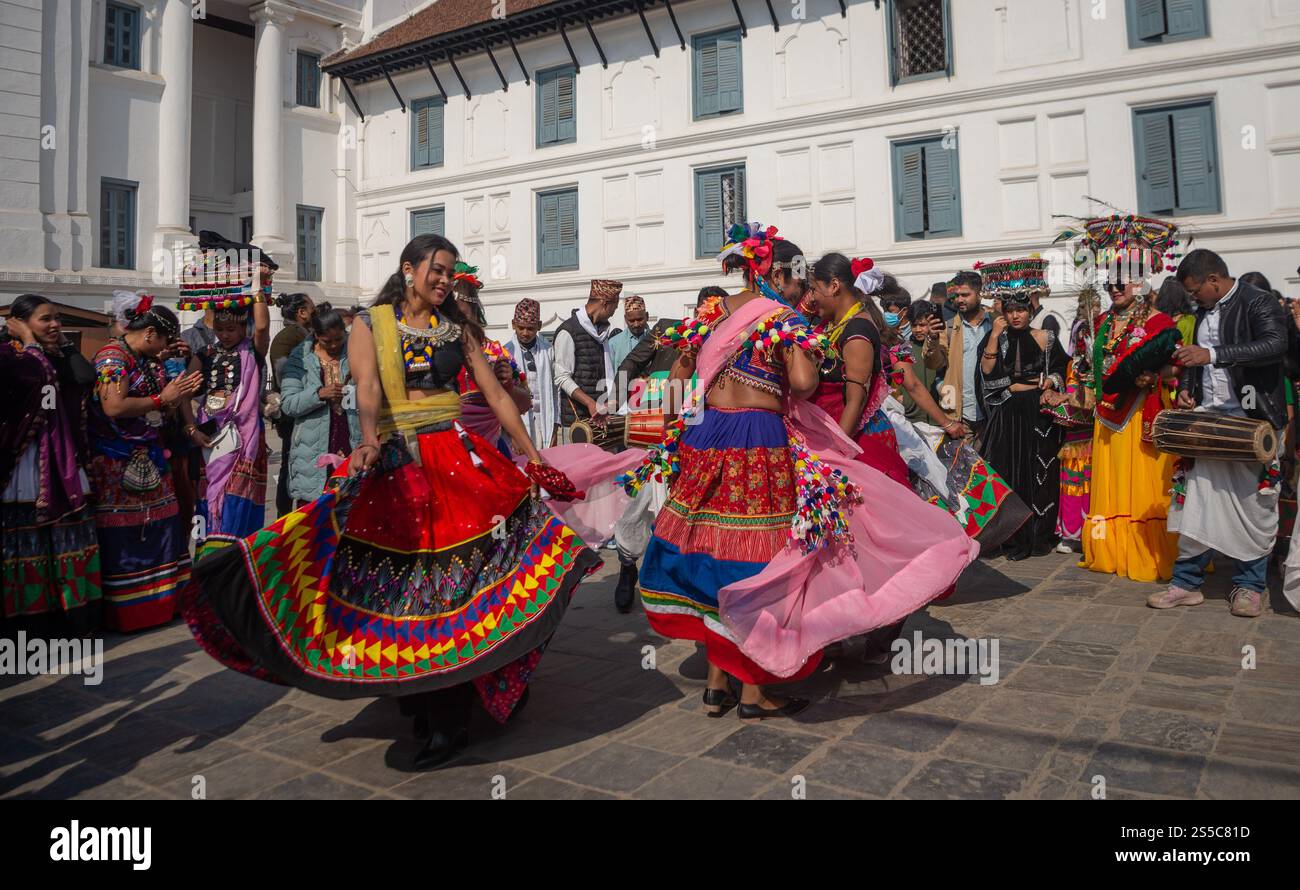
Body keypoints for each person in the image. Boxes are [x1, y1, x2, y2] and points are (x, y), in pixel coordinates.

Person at [184, 233, 594, 770]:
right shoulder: (369, 325)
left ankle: (451, 714)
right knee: (407, 588)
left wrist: (534, 455)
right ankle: (428, 702)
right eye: (437, 270)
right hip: (401, 465)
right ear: (408, 269)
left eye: (451, 272)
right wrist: (370, 441)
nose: (445, 280)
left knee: (462, 583)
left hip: (460, 462)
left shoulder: (459, 328)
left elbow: (494, 393)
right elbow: (369, 390)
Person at [627, 223, 977, 719]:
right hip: (756, 442)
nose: (800, 290)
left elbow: (682, 375)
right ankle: (755, 691)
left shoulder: (711, 312)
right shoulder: (779, 319)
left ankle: (716, 682)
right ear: (776, 273)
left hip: (706, 438)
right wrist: (801, 351)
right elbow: (805, 384)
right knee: (758, 557)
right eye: (796, 280)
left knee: (711, 549)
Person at [1156, 249, 1289, 618]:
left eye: (1196, 290)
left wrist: (1211, 355)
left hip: (1252, 419)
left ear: (1214, 280)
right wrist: (1188, 385)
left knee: (1253, 506)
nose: (1192, 297)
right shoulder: (1201, 311)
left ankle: (1249, 587)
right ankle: (1186, 584)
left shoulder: (1257, 302)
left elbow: (1275, 345)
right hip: (1210, 420)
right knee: (1197, 503)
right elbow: (1196, 361)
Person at [1061, 217, 1184, 582]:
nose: (1115, 286)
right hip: (1106, 419)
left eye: (1123, 278)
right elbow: (1093, 367)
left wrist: (1154, 375)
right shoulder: (1099, 322)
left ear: (1142, 280)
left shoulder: (1160, 322)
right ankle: (1110, 550)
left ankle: (1148, 552)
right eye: (1110, 279)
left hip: (1140, 414)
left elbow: (1178, 369)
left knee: (1145, 486)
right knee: (1111, 485)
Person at [606, 286, 723, 614]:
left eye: (715, 313)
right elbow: (630, 363)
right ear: (697, 309)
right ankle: (628, 565)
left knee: (683, 511)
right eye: (704, 310)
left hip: (699, 441)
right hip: (656, 433)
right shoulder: (669, 331)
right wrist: (618, 401)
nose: (708, 317)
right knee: (636, 504)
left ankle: (678, 584)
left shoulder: (726, 343)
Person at [89, 297, 202, 630]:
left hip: (151, 455)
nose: (166, 348)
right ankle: (131, 612)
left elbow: (161, 402)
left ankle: (166, 603)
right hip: (118, 462)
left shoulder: (145, 358)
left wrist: (175, 395)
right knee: (130, 532)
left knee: (163, 526)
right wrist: (161, 399)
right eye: (165, 340)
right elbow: (113, 406)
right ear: (150, 333)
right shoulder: (113, 358)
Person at [1, 296, 101, 638]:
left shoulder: (54, 354)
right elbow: (38, 380)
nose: (55, 325)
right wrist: (29, 342)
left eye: (58, 318)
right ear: (19, 322)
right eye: (46, 319)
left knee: (68, 538)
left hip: (63, 456)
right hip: (26, 463)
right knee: (31, 544)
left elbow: (86, 375)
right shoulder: (9, 355)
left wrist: (62, 343)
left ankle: (72, 620)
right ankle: (32, 627)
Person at [977, 281, 1069, 560]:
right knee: (1003, 472)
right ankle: (1004, 536)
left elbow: (1061, 367)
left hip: (1036, 412)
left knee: (1037, 474)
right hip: (1006, 412)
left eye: (1021, 310)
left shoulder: (1046, 336)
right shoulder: (996, 336)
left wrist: (1051, 384)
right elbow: (986, 370)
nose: (1016, 315)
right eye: (1011, 310)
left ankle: (1037, 533)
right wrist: (993, 334)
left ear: (1030, 310)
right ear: (1003, 312)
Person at [179, 296, 271, 545]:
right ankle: (209, 557)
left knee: (236, 501)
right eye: (220, 329)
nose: (225, 335)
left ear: (244, 327)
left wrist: (256, 289)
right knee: (208, 501)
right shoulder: (205, 353)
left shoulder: (253, 350)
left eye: (231, 329)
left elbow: (262, 327)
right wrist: (191, 429)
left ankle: (233, 557)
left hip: (244, 438)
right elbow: (183, 394)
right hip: (210, 434)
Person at [279, 303, 359, 507]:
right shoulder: (300, 358)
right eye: (327, 341)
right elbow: (288, 404)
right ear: (316, 335)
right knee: (315, 520)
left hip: (352, 441)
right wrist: (319, 394)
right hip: (312, 449)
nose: (334, 346)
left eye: (339, 339)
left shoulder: (357, 350)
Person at [450, 263, 532, 457]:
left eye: (461, 316)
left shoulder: (494, 352)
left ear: (474, 313)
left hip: (491, 449)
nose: (455, 322)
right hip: (448, 450)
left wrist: (508, 387)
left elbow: (525, 403)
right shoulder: (435, 350)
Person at [554, 280, 621, 442]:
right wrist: (591, 403)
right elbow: (562, 377)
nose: (615, 311)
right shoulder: (568, 331)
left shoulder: (602, 333)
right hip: (576, 423)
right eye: (615, 306)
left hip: (601, 418)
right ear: (605, 304)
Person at [931, 270, 993, 442]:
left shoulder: (995, 323)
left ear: (980, 294)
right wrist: (932, 339)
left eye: (965, 295)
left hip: (990, 413)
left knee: (992, 467)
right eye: (957, 295)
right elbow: (935, 363)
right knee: (962, 467)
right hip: (960, 415)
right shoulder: (949, 328)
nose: (959, 300)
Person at [268, 293, 315, 517]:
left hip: (298, 410)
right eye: (312, 309)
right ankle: (285, 520)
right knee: (289, 467)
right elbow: (283, 374)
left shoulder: (299, 334)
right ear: (302, 313)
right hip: (293, 413)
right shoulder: (293, 336)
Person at [503, 298, 559, 451]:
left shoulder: (548, 351)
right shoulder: (505, 353)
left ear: (539, 326)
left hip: (544, 417)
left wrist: (555, 424)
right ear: (514, 324)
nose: (525, 333)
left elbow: (556, 390)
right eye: (521, 328)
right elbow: (502, 395)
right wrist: (511, 433)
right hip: (517, 419)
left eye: (530, 328)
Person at [608, 294, 651, 372]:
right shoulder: (613, 344)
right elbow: (610, 375)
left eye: (640, 319)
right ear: (625, 319)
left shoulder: (657, 340)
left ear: (647, 316)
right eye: (631, 321)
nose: (636, 324)